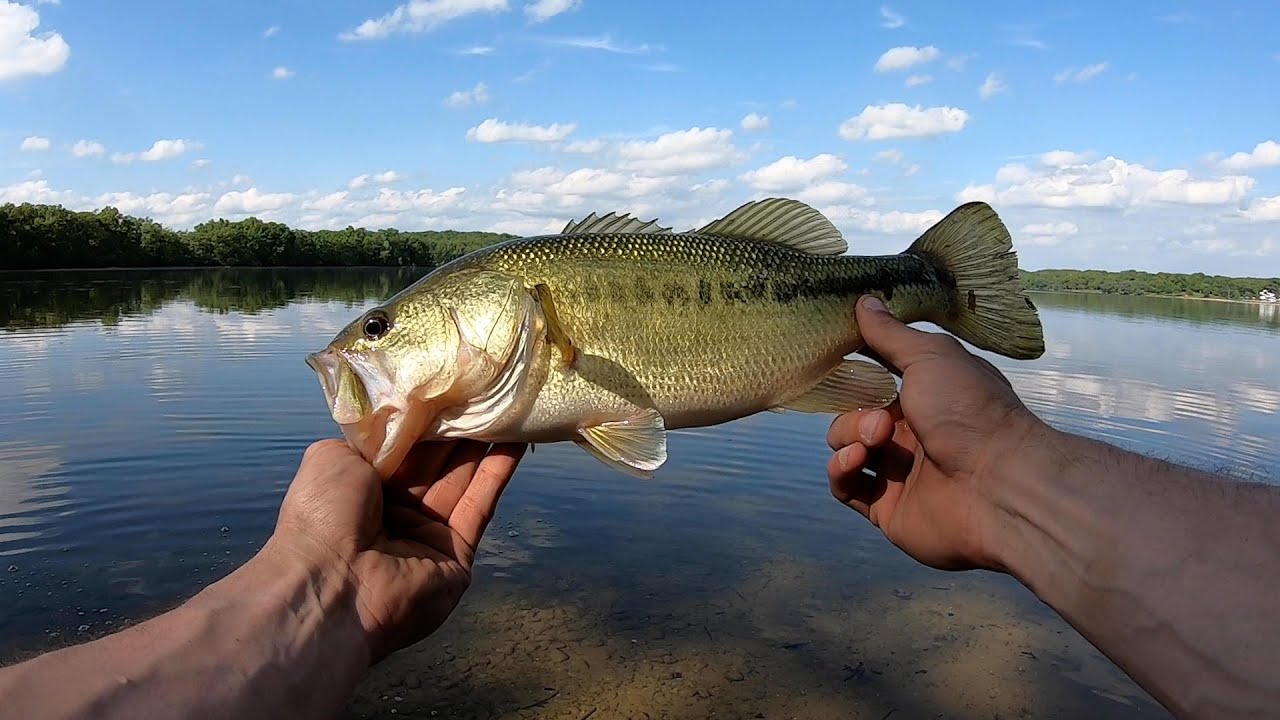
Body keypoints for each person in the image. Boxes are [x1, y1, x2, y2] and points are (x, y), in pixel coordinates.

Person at [0, 295, 1276, 719]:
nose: (364, 348)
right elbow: (632, 429)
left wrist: (1006, 469)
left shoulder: (542, 327)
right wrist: (317, 587)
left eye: (385, 327)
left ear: (511, 319)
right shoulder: (509, 371)